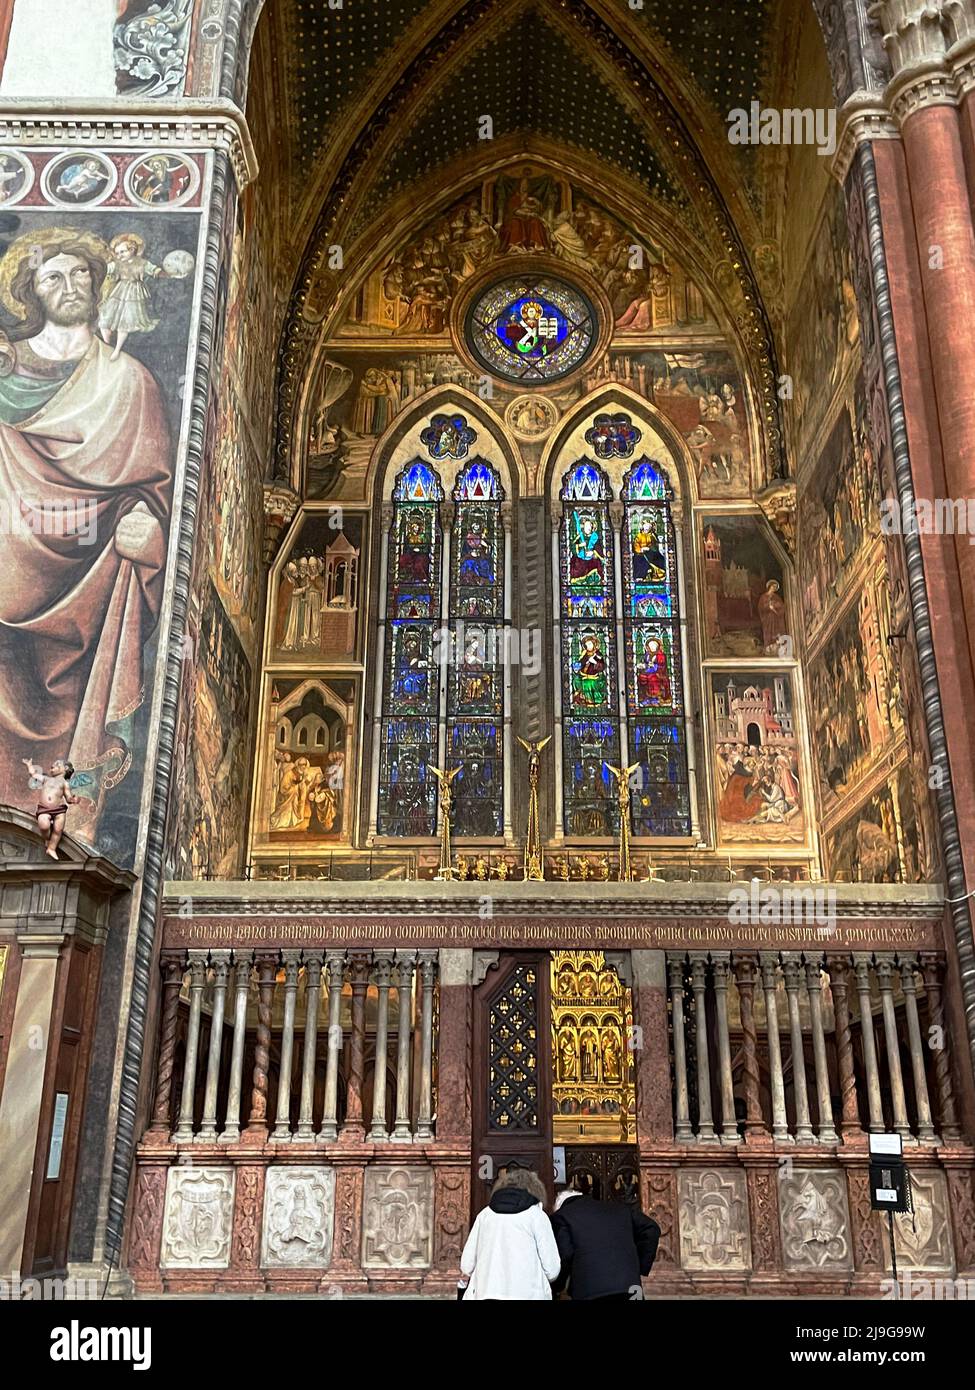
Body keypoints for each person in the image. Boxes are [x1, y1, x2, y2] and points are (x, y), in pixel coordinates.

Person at [459, 1167, 561, 1300]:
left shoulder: (484, 1216)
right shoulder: (537, 1216)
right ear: (536, 1191)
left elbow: (466, 1265)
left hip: (486, 1294)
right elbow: (552, 1270)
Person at [550, 1185, 660, 1301]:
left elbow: (565, 1255)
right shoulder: (620, 1209)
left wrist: (557, 1286)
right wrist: (639, 1264)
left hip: (591, 1291)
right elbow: (651, 1229)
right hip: (631, 1288)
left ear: (559, 1207)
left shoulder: (562, 1216)